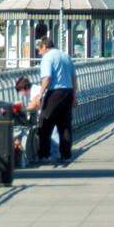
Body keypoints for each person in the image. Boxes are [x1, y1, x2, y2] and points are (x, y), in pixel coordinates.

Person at [35, 36, 78, 164]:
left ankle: (44, 154)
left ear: (44, 46)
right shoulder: (66, 56)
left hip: (55, 92)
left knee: (44, 122)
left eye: (39, 49)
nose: (38, 53)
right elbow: (74, 78)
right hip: (68, 91)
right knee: (64, 125)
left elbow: (47, 78)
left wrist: (40, 94)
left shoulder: (47, 58)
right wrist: (74, 96)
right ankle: (66, 154)